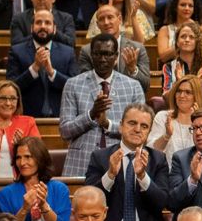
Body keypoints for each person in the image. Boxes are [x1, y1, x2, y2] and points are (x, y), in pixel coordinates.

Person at [84, 103, 172, 221]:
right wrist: (110, 174)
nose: (137, 129)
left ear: (149, 132)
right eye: (132, 123)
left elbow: (162, 201)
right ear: (120, 126)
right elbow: (88, 200)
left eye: (144, 126)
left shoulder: (158, 159)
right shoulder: (100, 157)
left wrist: (142, 176)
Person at [58, 33, 146, 177]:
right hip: (81, 163)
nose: (102, 59)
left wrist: (108, 124)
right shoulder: (73, 84)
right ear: (91, 55)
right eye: (97, 54)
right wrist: (91, 114)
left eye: (107, 54)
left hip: (121, 162)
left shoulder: (133, 86)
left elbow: (140, 132)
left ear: (116, 56)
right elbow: (65, 131)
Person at [0, 137, 71, 221]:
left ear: (40, 158)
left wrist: (44, 206)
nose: (22, 163)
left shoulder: (60, 189)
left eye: (28, 157)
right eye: (18, 158)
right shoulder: (5, 195)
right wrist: (24, 209)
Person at [7, 9, 76, 119]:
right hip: (27, 117)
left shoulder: (68, 52)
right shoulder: (16, 51)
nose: (43, 26)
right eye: (38, 22)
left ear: (54, 29)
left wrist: (52, 72)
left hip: (61, 117)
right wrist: (34, 69)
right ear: (31, 28)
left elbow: (75, 87)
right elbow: (10, 88)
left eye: (47, 23)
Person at [148, 74, 202, 164]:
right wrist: (166, 135)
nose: (181, 95)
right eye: (179, 91)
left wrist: (198, 124)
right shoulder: (163, 117)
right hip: (166, 173)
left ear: (197, 96)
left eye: (188, 92)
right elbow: (152, 151)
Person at [9, 0, 77, 49]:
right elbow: (15, 44)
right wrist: (39, 33)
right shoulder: (19, 19)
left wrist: (53, 31)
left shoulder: (66, 19)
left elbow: (71, 43)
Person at [159, 20, 202, 96]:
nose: (187, 40)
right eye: (183, 36)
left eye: (191, 37)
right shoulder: (169, 67)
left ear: (197, 42)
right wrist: (179, 82)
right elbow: (166, 98)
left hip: (200, 107)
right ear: (177, 42)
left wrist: (201, 82)